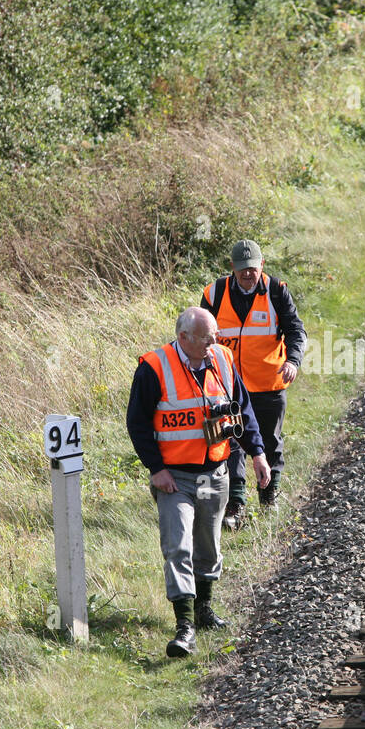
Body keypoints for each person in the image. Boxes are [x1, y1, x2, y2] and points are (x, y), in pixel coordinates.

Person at [126, 307, 270, 658]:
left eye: (215, 336)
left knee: (208, 542)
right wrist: (155, 468)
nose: (213, 342)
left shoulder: (222, 359)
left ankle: (204, 609)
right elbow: (137, 423)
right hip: (174, 479)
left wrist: (258, 453)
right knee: (178, 546)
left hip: (213, 473)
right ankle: (184, 627)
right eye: (206, 338)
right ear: (183, 338)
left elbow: (243, 410)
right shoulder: (153, 368)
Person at [201, 239, 306, 530]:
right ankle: (235, 504)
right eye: (243, 269)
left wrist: (293, 362)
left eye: (253, 268)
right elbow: (201, 336)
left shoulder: (276, 291)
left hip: (269, 383)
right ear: (233, 267)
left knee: (269, 442)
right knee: (231, 442)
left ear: (261, 265)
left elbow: (296, 330)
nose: (248, 274)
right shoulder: (214, 294)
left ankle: (269, 495)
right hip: (227, 387)